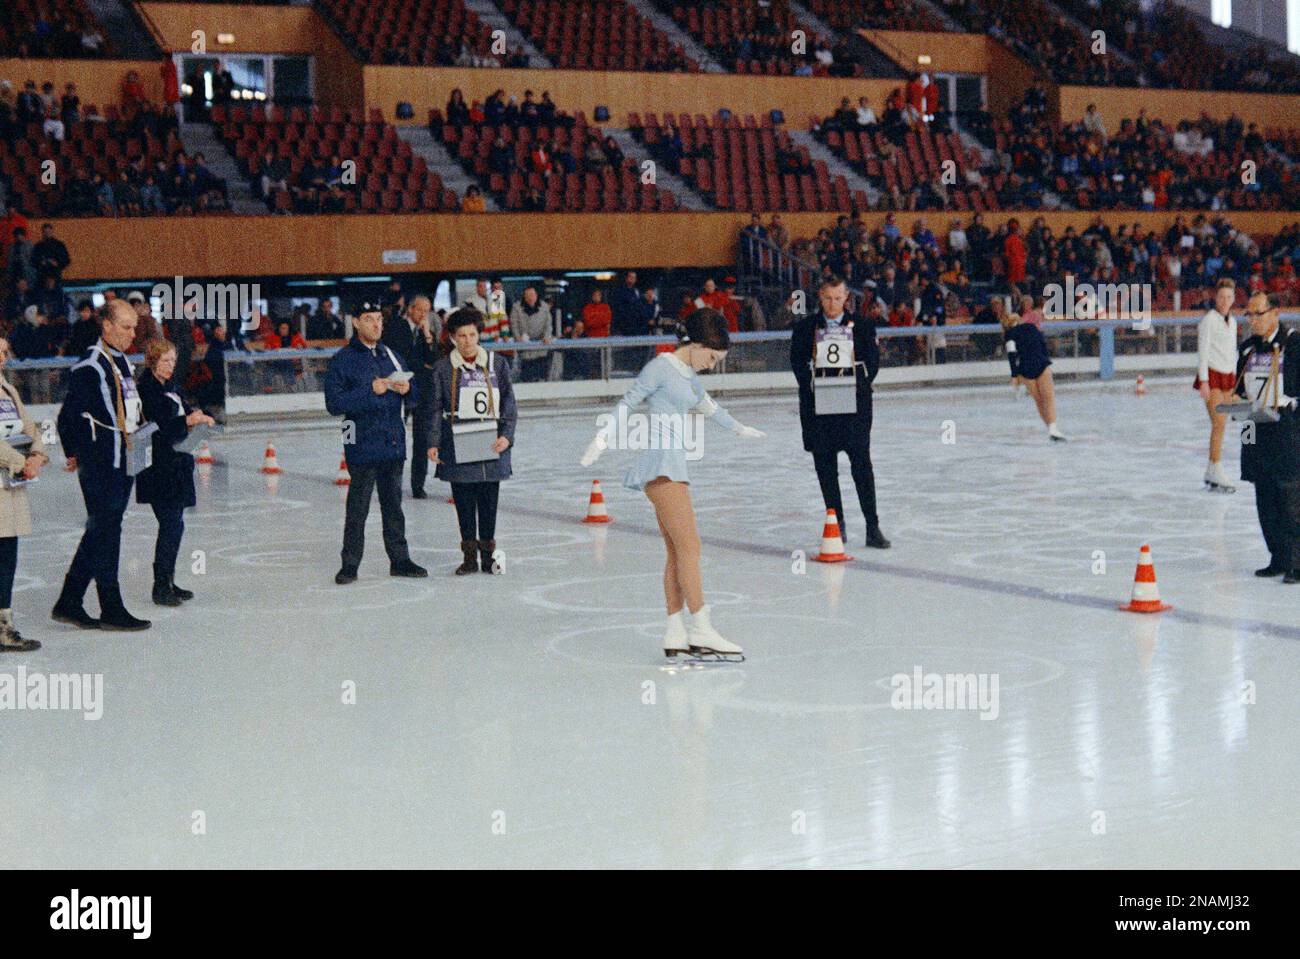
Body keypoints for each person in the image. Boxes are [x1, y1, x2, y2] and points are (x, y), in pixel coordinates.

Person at [580, 309, 765, 660]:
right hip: (662, 467)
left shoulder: (688, 375)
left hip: (671, 466)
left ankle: (675, 631)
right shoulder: (660, 367)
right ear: (696, 345)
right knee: (691, 547)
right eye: (711, 357)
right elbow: (628, 403)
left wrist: (741, 429)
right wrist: (601, 441)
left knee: (677, 552)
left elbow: (710, 408)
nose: (712, 365)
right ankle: (701, 627)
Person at [52, 300, 152, 630]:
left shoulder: (123, 362)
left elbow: (132, 411)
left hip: (126, 455)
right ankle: (110, 605)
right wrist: (74, 452)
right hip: (101, 461)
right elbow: (67, 415)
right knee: (105, 529)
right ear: (106, 326)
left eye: (135, 327)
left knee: (103, 529)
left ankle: (69, 600)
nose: (132, 334)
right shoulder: (90, 365)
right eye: (126, 327)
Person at [323, 301, 428, 584]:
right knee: (358, 507)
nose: (376, 325)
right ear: (356, 323)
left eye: (379, 319)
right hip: (361, 442)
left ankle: (400, 559)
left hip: (393, 441)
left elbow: (415, 391)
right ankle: (350, 564)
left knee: (394, 504)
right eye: (369, 319)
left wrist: (408, 389)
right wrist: (370, 390)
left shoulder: (392, 355)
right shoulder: (343, 360)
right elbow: (334, 404)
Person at [791, 276, 891, 550]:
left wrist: (853, 386)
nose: (833, 304)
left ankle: (873, 527)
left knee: (862, 467)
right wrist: (817, 386)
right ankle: (838, 524)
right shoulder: (804, 328)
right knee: (826, 470)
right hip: (819, 413)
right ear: (819, 298)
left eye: (838, 298)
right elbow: (797, 365)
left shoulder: (864, 326)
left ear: (846, 298)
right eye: (827, 298)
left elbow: (873, 363)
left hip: (854, 412)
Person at [426, 308, 517, 576]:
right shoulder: (443, 368)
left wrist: (506, 436)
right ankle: (469, 558)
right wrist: (432, 442)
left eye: (472, 334)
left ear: (480, 335)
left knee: (489, 499)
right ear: (453, 338)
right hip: (457, 440)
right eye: (461, 336)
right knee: (464, 500)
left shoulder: (497, 364)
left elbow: (510, 403)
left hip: (491, 439)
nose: (467, 341)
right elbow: (434, 407)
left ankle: (488, 556)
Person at [136, 338, 215, 606]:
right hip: (160, 468)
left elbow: (183, 412)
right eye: (165, 361)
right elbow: (162, 427)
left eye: (173, 360)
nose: (170, 366)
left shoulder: (170, 386)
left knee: (175, 525)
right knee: (171, 524)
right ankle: (161, 586)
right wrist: (189, 420)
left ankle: (168, 580)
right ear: (153, 361)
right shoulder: (146, 389)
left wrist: (198, 417)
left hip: (176, 464)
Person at [1233, 292, 1300, 582]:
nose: (1253, 320)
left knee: (1289, 494)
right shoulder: (1247, 348)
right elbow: (1240, 394)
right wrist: (1246, 447)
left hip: (1286, 425)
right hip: (1255, 425)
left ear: (1274, 313)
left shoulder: (1294, 343)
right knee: (1264, 494)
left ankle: (1297, 560)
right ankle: (1278, 557)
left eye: (1258, 314)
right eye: (1249, 315)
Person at [0, 336, 49, 651]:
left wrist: (37, 454)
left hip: (11, 486)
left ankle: (4, 624)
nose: (4, 357)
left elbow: (30, 427)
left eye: (5, 351)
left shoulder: (8, 388)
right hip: (8, 478)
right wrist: (22, 462)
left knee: (7, 556)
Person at [1196, 278, 1240, 492]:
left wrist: (1236, 382)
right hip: (1212, 378)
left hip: (1227, 379)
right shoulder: (1209, 320)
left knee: (1223, 423)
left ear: (1233, 299)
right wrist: (1203, 381)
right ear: (1216, 297)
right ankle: (1215, 466)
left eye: (1228, 297)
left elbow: (1232, 353)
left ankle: (1212, 468)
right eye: (1221, 296)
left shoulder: (1233, 322)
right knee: (1219, 422)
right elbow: (1203, 352)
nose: (1224, 301)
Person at [1002, 310, 1067, 441]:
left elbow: (1012, 355)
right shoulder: (1032, 327)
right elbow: (1043, 346)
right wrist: (1045, 360)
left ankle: (1050, 428)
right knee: (1048, 399)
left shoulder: (1009, 334)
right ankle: (1053, 428)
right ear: (1019, 320)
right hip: (1042, 364)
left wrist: (1014, 375)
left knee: (1039, 400)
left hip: (1026, 368)